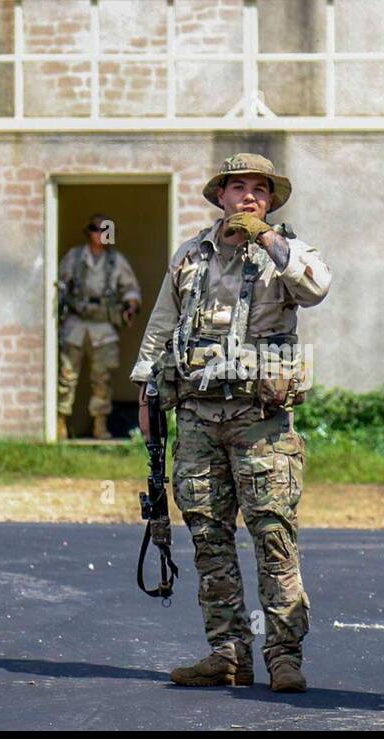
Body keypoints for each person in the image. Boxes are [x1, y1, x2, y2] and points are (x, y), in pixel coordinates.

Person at [130, 153, 331, 693]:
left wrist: (267, 239)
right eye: (237, 187)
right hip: (197, 418)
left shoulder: (285, 251)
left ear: (271, 199)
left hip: (260, 420)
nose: (247, 197)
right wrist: (147, 392)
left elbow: (316, 287)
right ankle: (227, 652)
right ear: (219, 195)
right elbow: (161, 324)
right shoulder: (192, 255)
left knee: (273, 535)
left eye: (259, 190)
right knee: (208, 536)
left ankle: (284, 655)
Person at [57, 213, 140, 439]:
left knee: (102, 379)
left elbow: (130, 288)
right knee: (66, 375)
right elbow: (59, 287)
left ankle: (99, 425)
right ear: (89, 232)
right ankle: (60, 423)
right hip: (75, 324)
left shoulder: (116, 261)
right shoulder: (74, 258)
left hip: (103, 327)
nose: (100, 234)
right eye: (96, 229)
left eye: (105, 230)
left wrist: (131, 306)